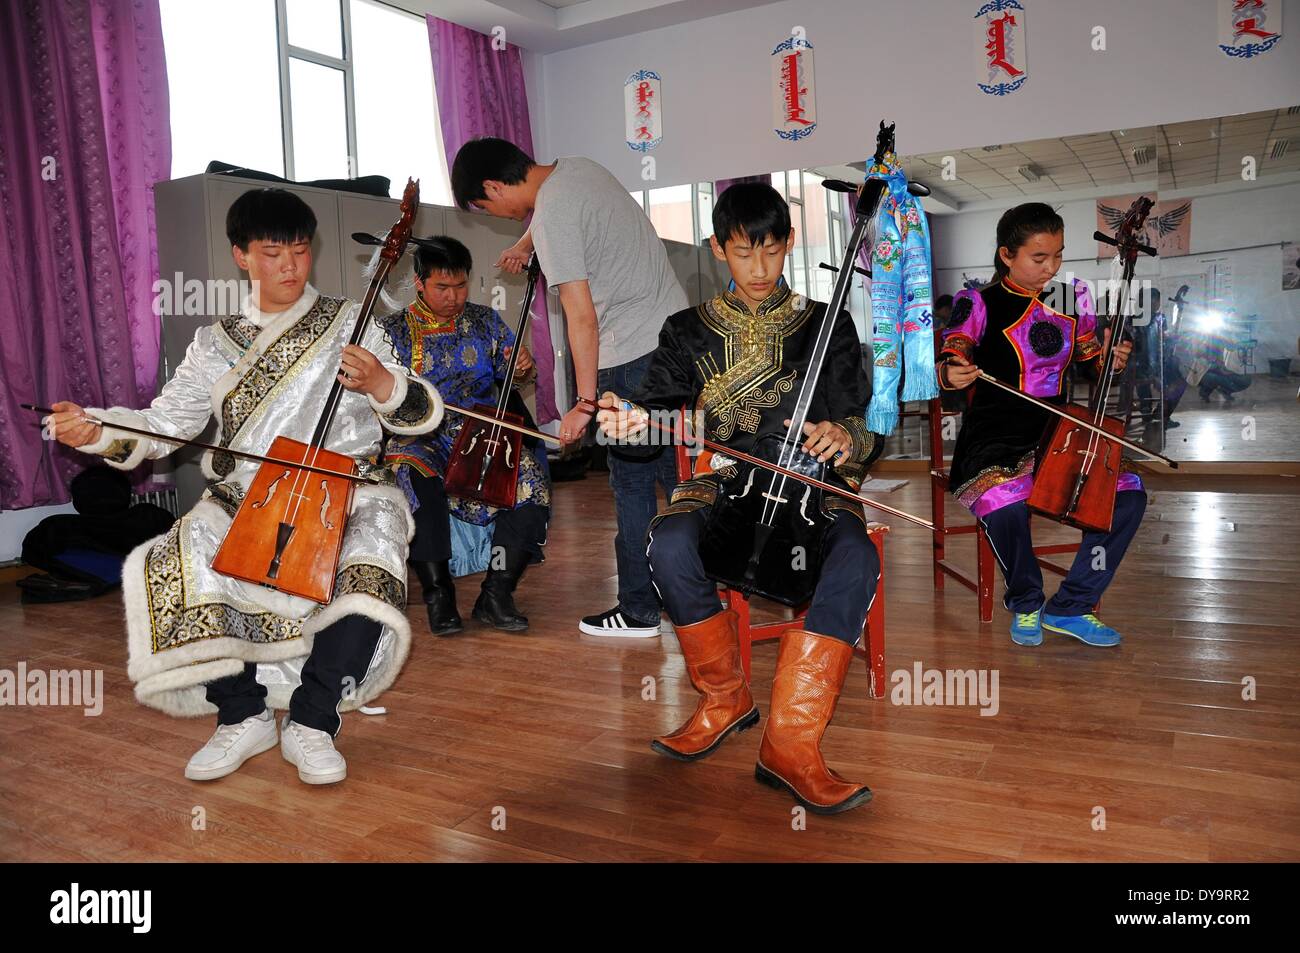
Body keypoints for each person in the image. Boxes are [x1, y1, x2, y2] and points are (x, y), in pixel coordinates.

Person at [46, 188, 442, 785]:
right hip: (250, 492)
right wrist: (97, 429)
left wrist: (384, 383)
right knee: (172, 555)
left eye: (301, 251)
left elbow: (418, 415)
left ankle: (314, 720)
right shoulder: (215, 341)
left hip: (350, 486)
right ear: (241, 256)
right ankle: (243, 714)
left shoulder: (351, 325)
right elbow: (167, 426)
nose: (289, 266)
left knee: (371, 551)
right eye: (273, 252)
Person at [597, 183, 881, 815]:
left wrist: (844, 436)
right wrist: (629, 421)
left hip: (811, 482)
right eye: (744, 253)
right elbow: (656, 419)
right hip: (723, 480)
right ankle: (724, 699)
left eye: (773, 251)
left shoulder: (826, 323)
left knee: (857, 558)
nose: (759, 270)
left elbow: (861, 418)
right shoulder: (685, 331)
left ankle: (791, 742)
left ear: (787, 246)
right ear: (718, 249)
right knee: (668, 542)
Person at [451, 137, 687, 638]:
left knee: (632, 486)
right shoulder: (577, 167)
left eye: (487, 205)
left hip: (629, 359)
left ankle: (639, 609)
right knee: (680, 477)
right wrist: (524, 244)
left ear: (494, 185)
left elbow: (581, 318)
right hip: (674, 343)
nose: (496, 213)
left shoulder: (552, 213)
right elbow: (550, 216)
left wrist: (583, 402)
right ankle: (699, 595)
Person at [938, 202, 1144, 648]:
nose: (1052, 268)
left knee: (1127, 494)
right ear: (1006, 255)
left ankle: (1072, 605)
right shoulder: (977, 301)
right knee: (1005, 501)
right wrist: (952, 370)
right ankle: (1026, 599)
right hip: (993, 434)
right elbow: (953, 351)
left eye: (1058, 255)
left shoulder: (1072, 299)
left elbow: (1092, 360)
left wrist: (1111, 360)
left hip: (1057, 429)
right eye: (1039, 258)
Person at [376, 236, 550, 636]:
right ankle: (439, 594)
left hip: (479, 433)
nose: (453, 297)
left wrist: (521, 365)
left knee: (531, 484)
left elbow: (516, 377)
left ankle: (497, 591)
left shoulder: (486, 321)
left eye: (460, 286)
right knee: (414, 474)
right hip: (419, 432)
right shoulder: (392, 331)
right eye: (442, 287)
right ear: (419, 283)